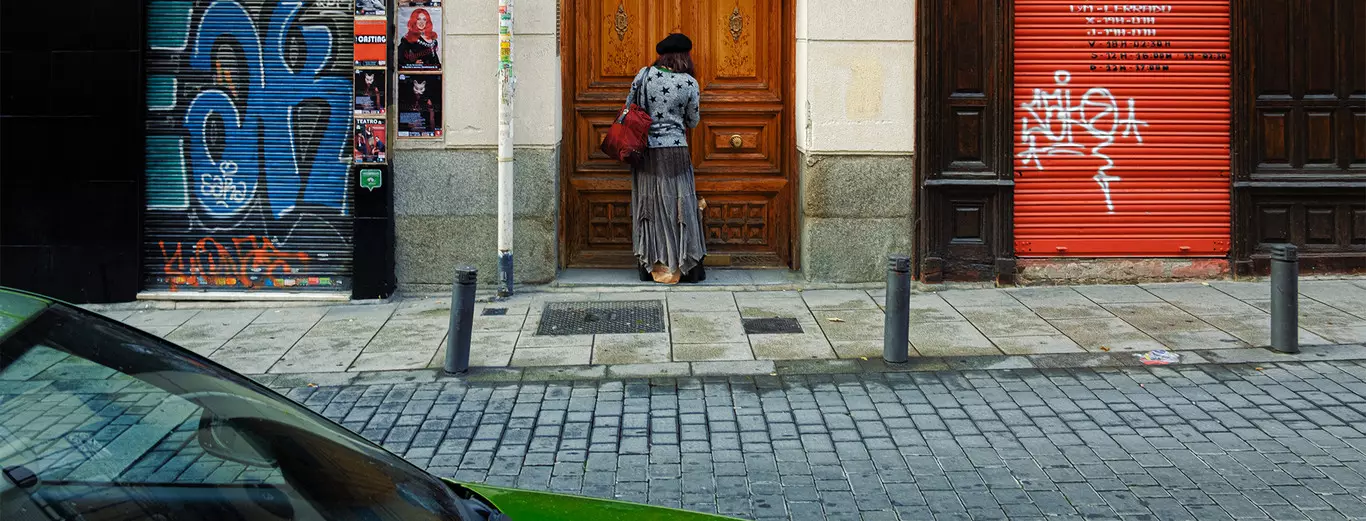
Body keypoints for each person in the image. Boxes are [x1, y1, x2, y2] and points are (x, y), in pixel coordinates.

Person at [624, 33, 706, 284]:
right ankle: (684, 263)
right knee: (679, 206)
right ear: (685, 56)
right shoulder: (689, 84)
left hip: (647, 152)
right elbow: (693, 121)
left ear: (662, 55)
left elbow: (629, 108)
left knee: (649, 206)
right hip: (676, 152)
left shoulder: (644, 75)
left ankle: (650, 265)